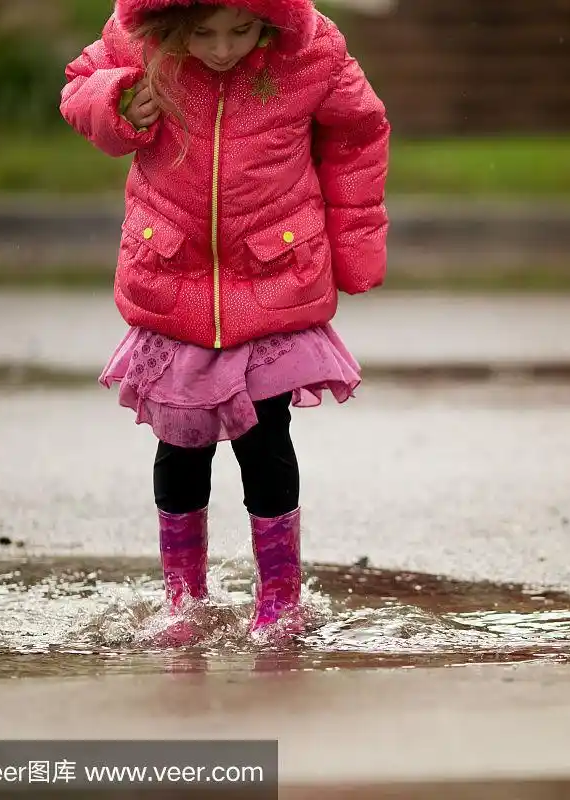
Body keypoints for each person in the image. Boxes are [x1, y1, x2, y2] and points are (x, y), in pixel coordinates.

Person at [59, 0, 389, 642]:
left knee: (266, 442)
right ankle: (184, 600)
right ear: (169, 24)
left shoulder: (309, 51)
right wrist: (116, 105)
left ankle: (280, 600)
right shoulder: (135, 43)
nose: (221, 49)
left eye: (241, 32)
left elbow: (358, 136)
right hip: (173, 272)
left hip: (273, 276)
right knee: (180, 447)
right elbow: (79, 89)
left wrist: (354, 244)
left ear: (269, 21)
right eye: (203, 34)